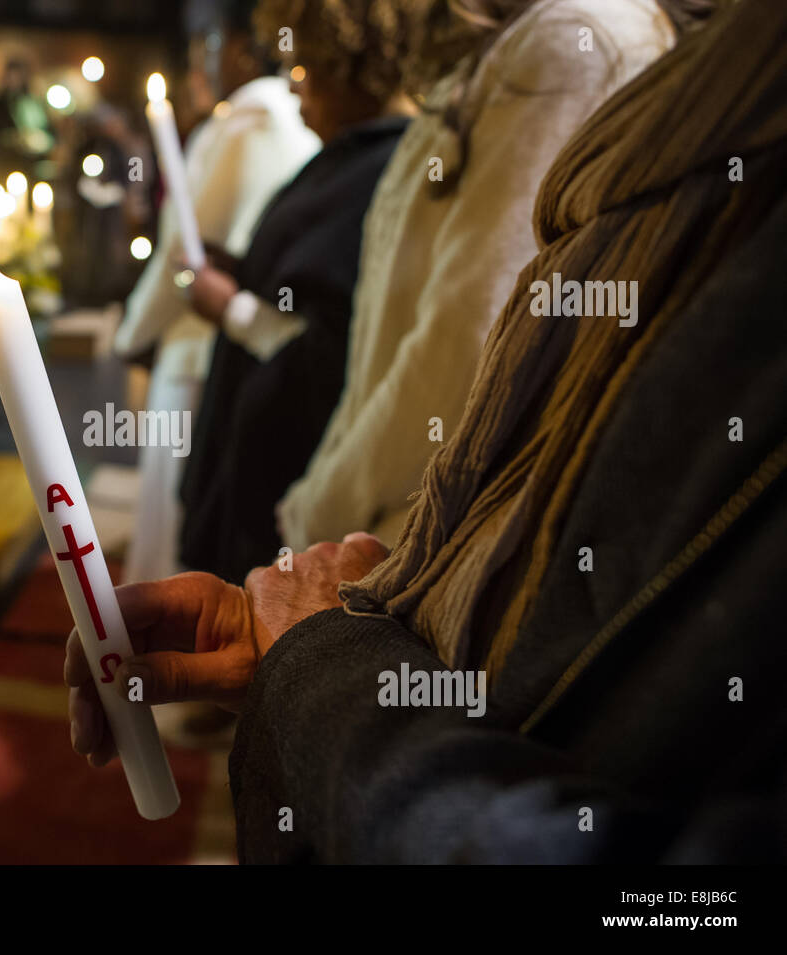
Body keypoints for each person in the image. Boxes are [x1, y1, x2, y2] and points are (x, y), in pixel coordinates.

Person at [67, 0, 786, 863]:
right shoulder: (547, 70)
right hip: (406, 644)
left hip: (428, 676)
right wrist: (327, 649)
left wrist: (333, 653)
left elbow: (456, 358)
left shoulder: (574, 47)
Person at [274, 0, 683, 553]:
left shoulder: (575, 39)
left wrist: (322, 511)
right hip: (389, 534)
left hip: (422, 548)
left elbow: (467, 342)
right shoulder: (509, 45)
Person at [179, 0, 419, 585]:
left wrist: (231, 306)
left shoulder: (385, 167)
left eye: (307, 70)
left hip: (287, 469)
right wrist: (243, 269)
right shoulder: (349, 157)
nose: (295, 90)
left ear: (350, 69)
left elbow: (330, 340)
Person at [117, 0, 320, 584]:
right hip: (257, 342)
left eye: (204, 46)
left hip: (197, 347)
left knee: (174, 522)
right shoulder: (294, 123)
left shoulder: (240, 128)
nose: (197, 65)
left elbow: (185, 249)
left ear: (236, 47)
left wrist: (132, 333)